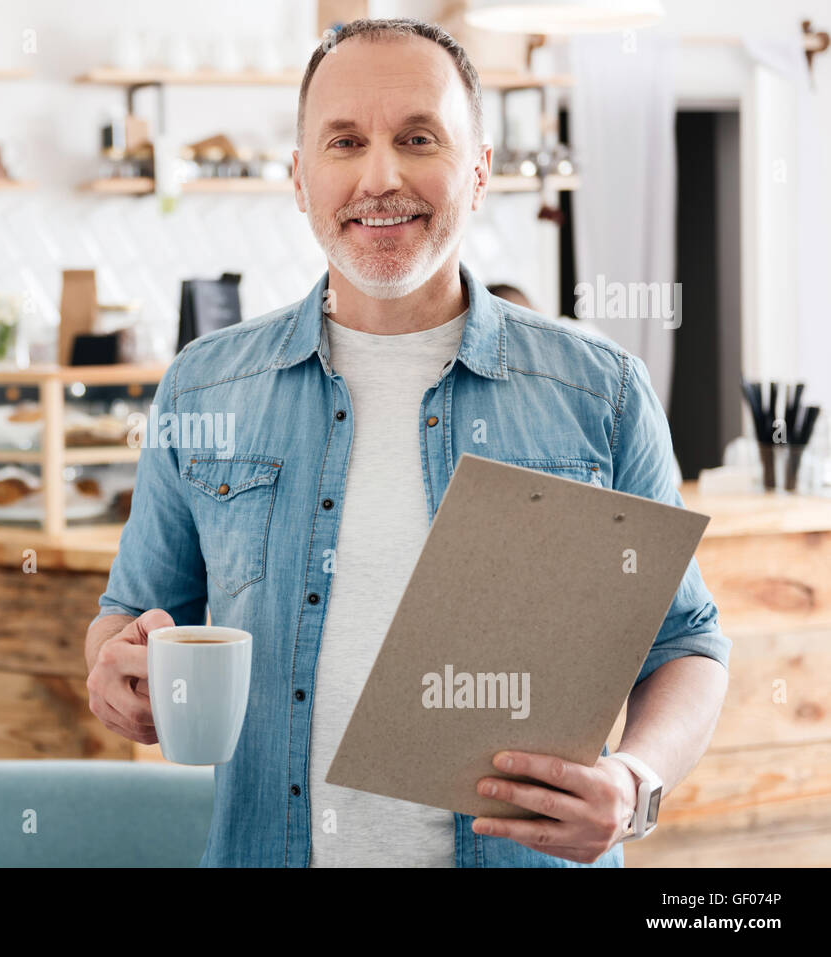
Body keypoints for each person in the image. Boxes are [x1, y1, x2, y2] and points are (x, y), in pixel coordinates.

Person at [84, 17, 729, 868]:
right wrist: (114, 670)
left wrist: (636, 780)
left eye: (418, 137)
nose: (379, 176)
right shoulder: (204, 389)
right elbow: (128, 615)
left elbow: (686, 642)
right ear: (300, 177)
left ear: (480, 168)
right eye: (344, 141)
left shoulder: (599, 392)